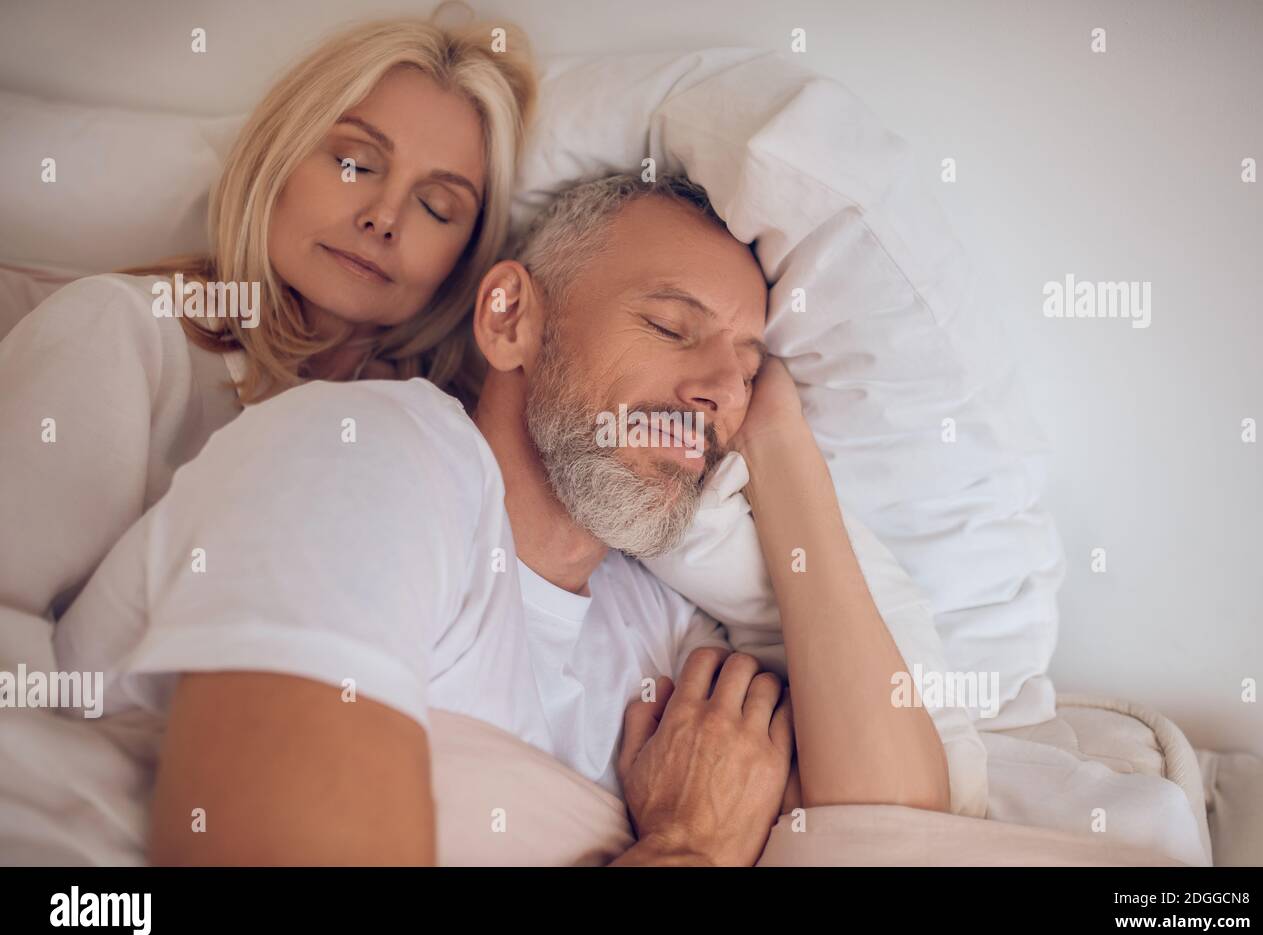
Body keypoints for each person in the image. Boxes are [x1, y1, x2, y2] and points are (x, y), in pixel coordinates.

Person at [53, 174, 949, 866]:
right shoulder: (369, 456)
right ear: (510, 317)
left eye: (747, 370)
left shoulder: (660, 629)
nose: (719, 392)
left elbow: (895, 828)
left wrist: (784, 449)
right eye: (672, 327)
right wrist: (687, 850)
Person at [0, 11, 535, 669]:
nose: (384, 217)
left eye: (437, 207)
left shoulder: (446, 448)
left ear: (465, 257)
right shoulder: (118, 333)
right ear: (277, 157)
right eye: (352, 162)